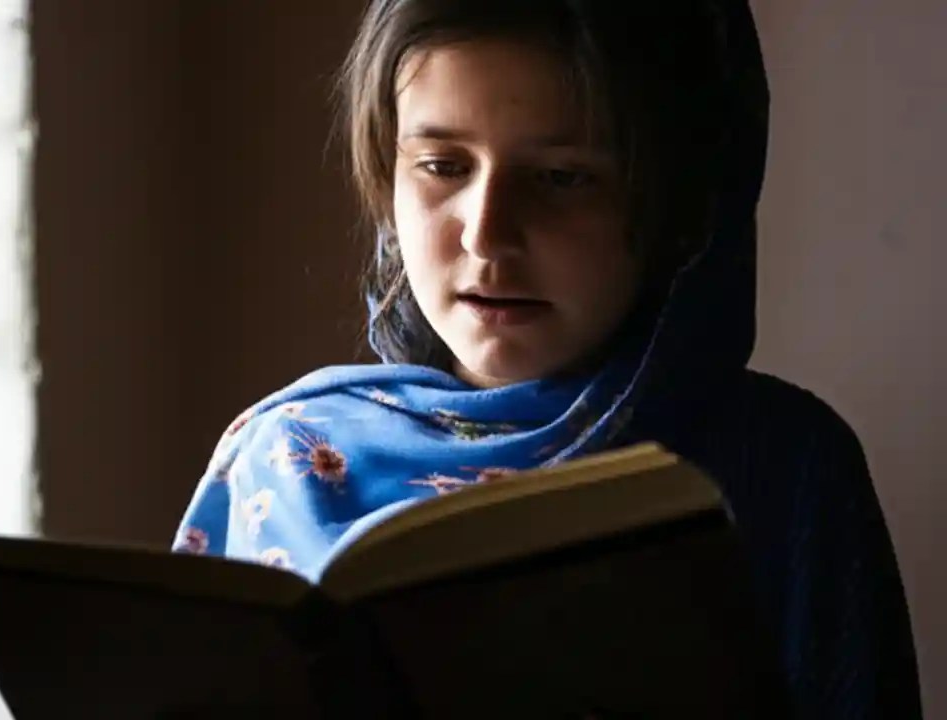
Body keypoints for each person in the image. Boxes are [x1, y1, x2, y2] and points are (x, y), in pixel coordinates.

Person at [171, 0, 922, 716]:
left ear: (681, 204)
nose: (487, 235)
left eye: (562, 178)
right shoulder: (285, 455)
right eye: (442, 165)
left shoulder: (779, 468)